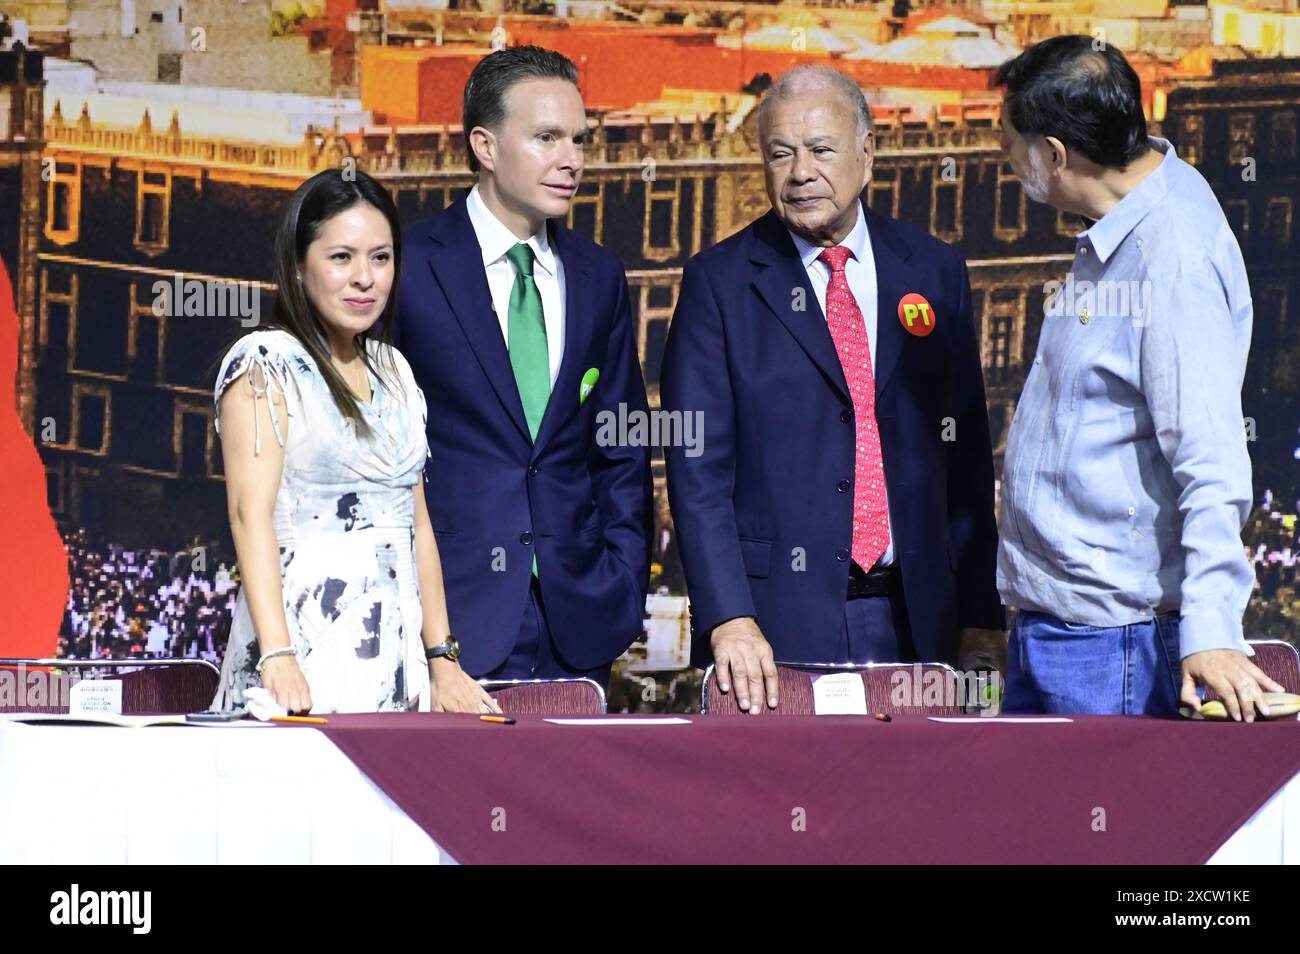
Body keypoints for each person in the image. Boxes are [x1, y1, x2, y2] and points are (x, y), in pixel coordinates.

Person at [661, 65, 1005, 714]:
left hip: (920, 623)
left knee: (914, 809)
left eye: (820, 150)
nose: (799, 173)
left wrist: (981, 617)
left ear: (866, 152)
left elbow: (965, 462)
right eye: (780, 154)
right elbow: (697, 474)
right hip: (771, 629)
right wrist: (729, 617)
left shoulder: (934, 271)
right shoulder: (719, 284)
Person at [994, 36, 1282, 719]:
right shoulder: (1125, 212)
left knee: (1085, 826)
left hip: (1110, 645)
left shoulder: (1172, 259)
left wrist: (1211, 628)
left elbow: (1210, 455)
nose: (1009, 166)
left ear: (1056, 156)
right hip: (1062, 625)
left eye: (1010, 148)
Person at [395, 46, 654, 689]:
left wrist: (621, 577)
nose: (572, 160)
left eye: (579, 140)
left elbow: (621, 447)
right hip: (446, 623)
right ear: (485, 146)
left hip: (579, 621)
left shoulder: (599, 276)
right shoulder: (406, 268)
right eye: (546, 138)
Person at [211, 168, 500, 715]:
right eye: (341, 257)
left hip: (397, 653)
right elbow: (250, 515)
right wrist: (276, 654)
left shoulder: (394, 371)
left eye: (381, 257)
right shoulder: (265, 364)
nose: (364, 278)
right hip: (303, 643)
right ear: (299, 267)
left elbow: (416, 525)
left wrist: (442, 658)